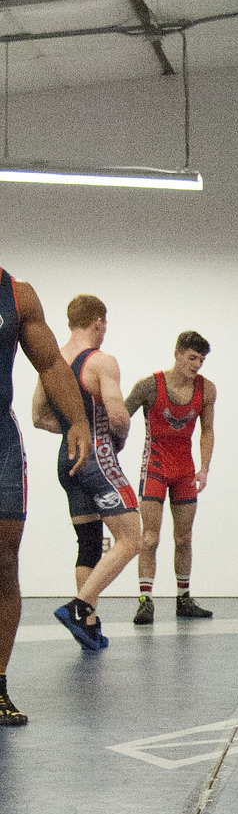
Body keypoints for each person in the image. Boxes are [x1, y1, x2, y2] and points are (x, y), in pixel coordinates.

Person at [0, 267, 92, 724]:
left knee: (4, 558)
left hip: (0, 441)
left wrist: (78, 421)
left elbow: (52, 363)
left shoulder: (16, 295)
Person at [33, 295, 139, 650]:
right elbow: (119, 417)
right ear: (99, 322)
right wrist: (113, 440)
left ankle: (89, 626)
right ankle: (80, 607)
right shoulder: (101, 361)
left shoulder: (51, 362)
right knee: (132, 538)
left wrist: (72, 430)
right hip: (97, 458)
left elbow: (39, 417)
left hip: (67, 460)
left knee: (89, 542)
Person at [125, 332, 216, 624]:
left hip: (185, 470)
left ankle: (184, 598)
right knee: (150, 538)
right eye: (192, 358)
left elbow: (207, 430)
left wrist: (204, 468)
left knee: (184, 538)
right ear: (177, 354)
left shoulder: (207, 389)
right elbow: (120, 418)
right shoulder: (149, 386)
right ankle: (145, 601)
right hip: (155, 467)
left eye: (201, 360)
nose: (197, 365)